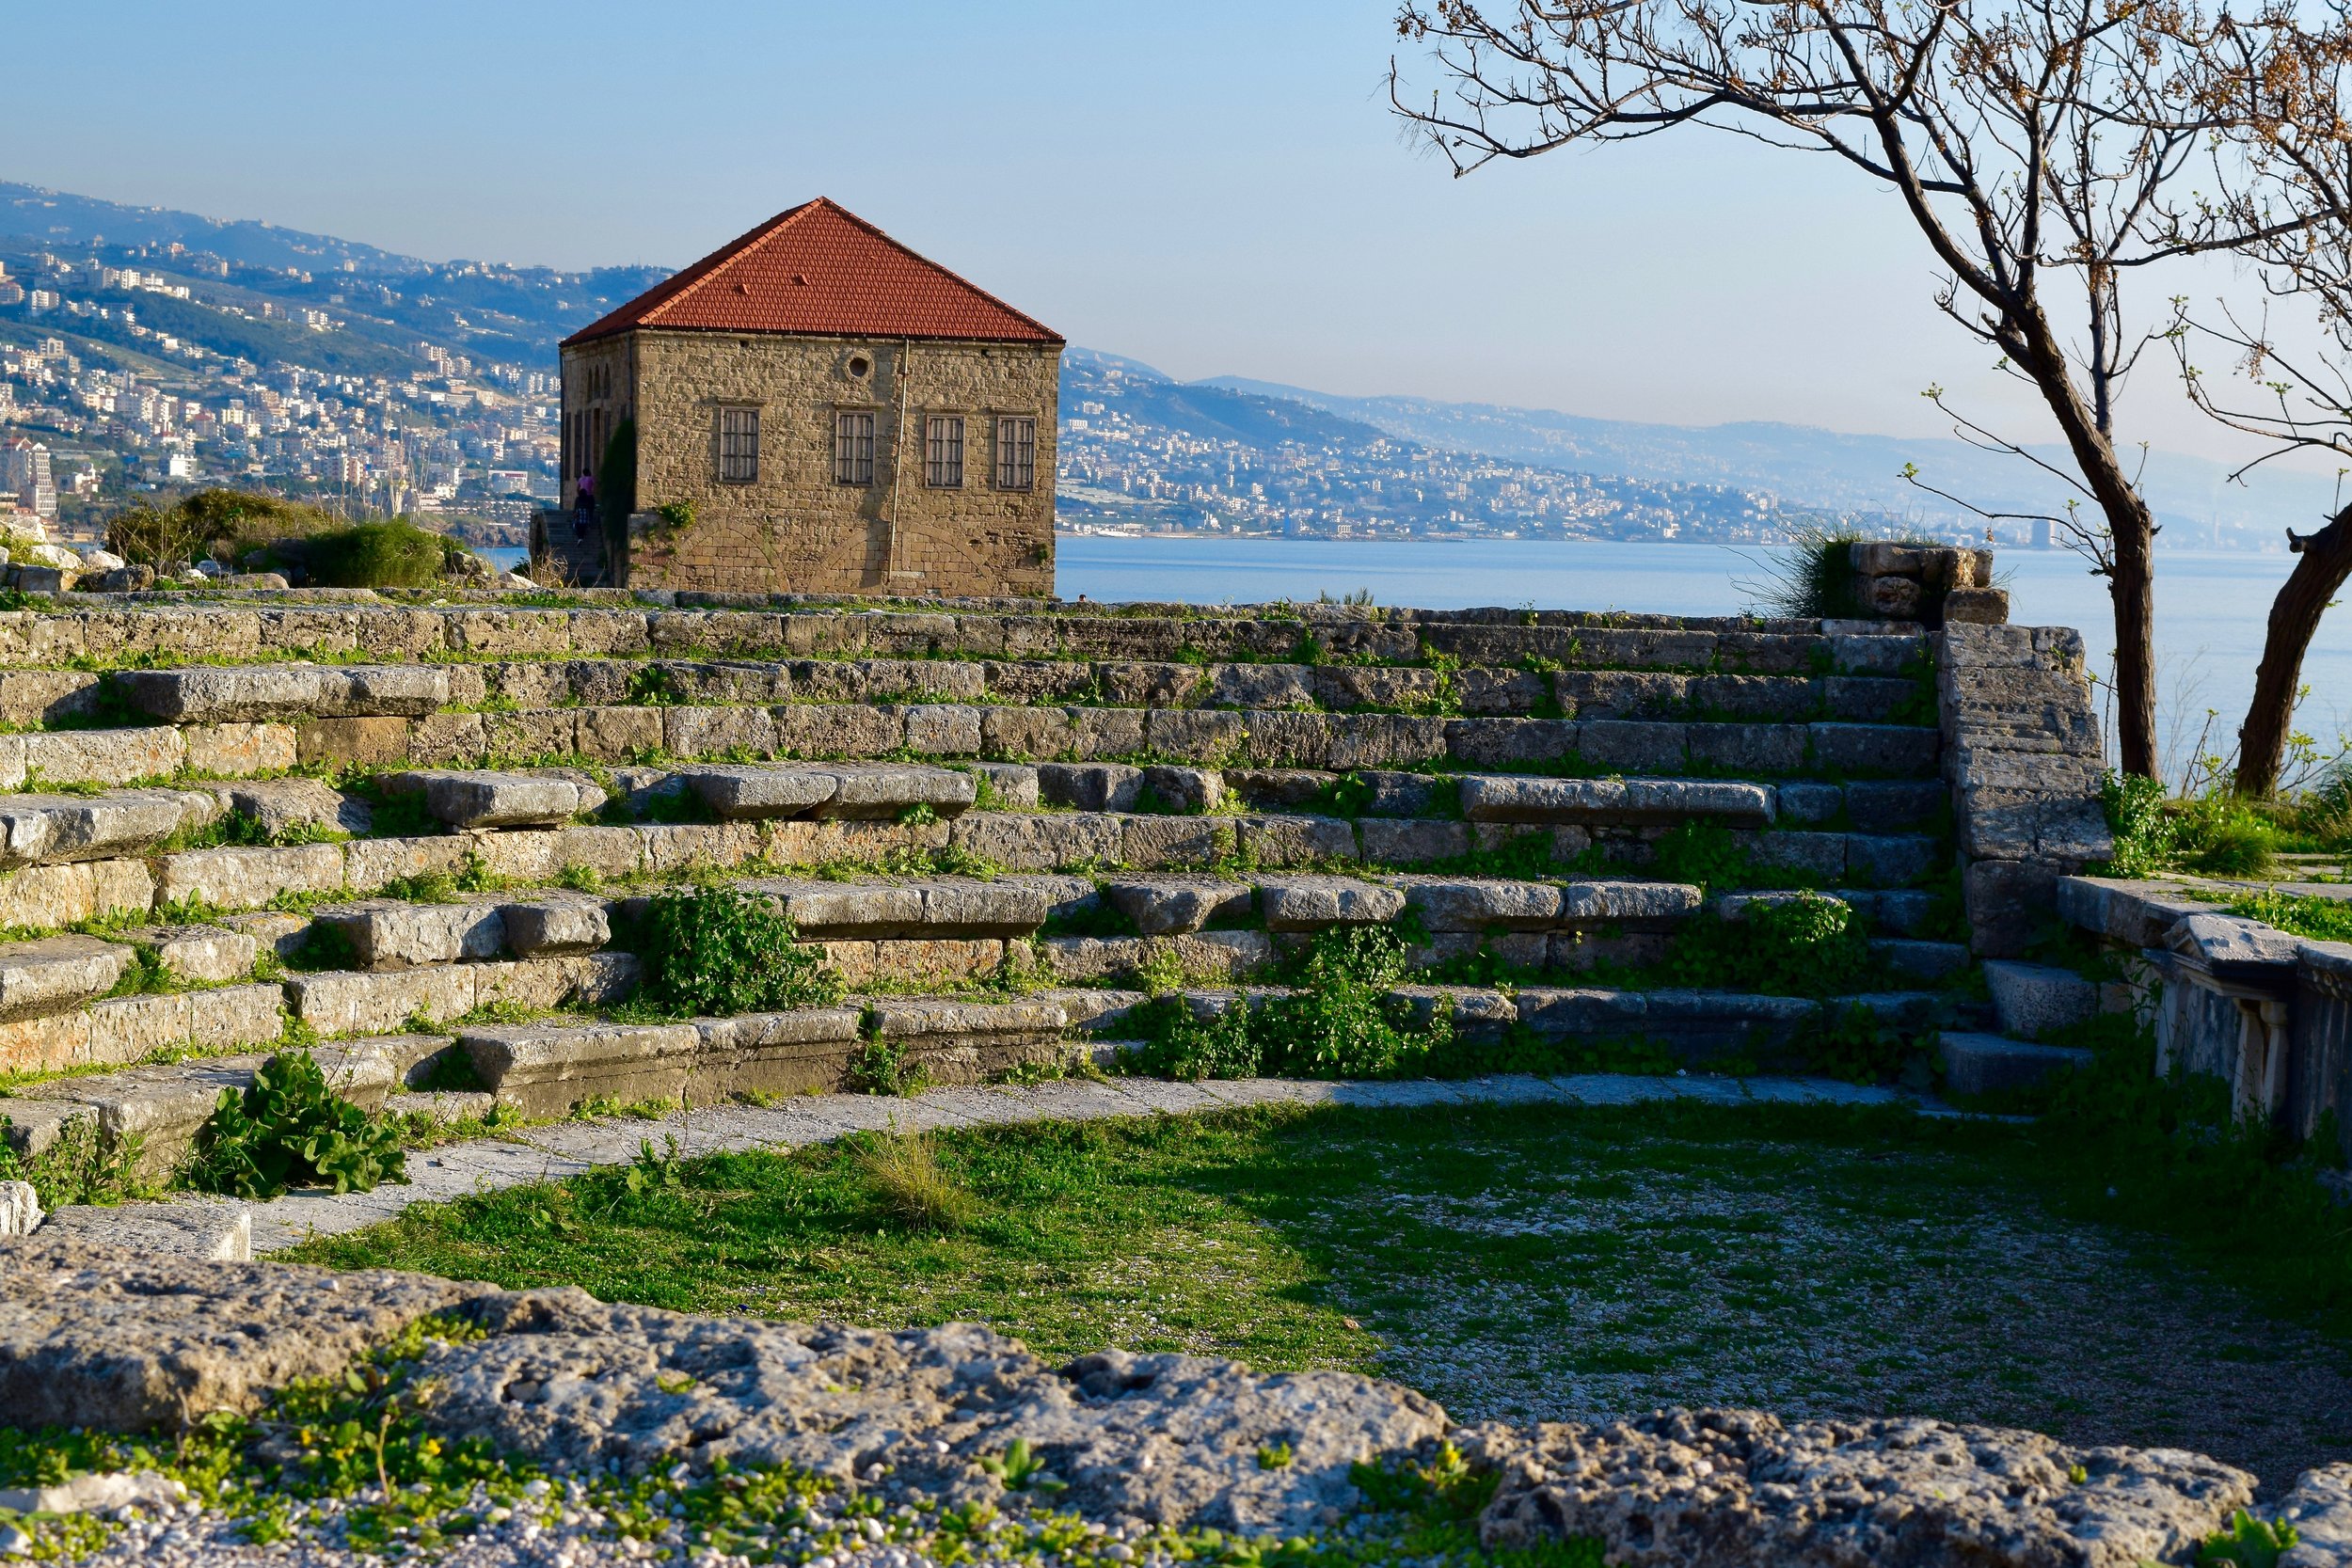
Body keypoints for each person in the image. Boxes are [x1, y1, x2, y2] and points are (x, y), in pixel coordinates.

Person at [572, 470, 594, 540]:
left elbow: (577, 488)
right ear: (589, 473)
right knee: (591, 509)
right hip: (589, 495)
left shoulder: (580, 479)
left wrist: (579, 494)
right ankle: (590, 523)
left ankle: (580, 537)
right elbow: (594, 486)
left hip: (582, 495)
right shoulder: (591, 478)